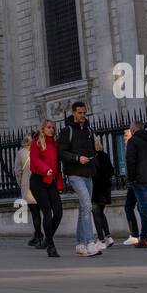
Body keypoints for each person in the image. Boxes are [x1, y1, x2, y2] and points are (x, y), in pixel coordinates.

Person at [58, 101, 104, 256]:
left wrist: (94, 162)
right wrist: (78, 158)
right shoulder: (67, 131)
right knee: (87, 205)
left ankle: (80, 244)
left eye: (84, 112)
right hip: (75, 173)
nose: (83, 115)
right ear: (73, 113)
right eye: (79, 112)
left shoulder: (89, 130)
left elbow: (94, 150)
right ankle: (90, 242)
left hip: (88, 173)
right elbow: (61, 153)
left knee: (84, 207)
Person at [29, 119, 64, 259]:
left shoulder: (55, 145)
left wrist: (60, 185)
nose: (52, 129)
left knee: (59, 212)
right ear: (43, 129)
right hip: (38, 181)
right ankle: (50, 245)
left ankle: (47, 239)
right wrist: (46, 169)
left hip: (51, 182)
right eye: (49, 127)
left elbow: (58, 167)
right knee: (47, 212)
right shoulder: (36, 143)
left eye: (53, 128)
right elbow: (35, 160)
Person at [16, 132, 44, 247]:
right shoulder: (40, 150)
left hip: (28, 187)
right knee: (44, 211)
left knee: (35, 213)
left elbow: (17, 172)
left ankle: (39, 236)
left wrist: (21, 184)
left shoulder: (21, 153)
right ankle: (38, 235)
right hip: (41, 185)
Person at [91, 135, 115, 247]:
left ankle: (101, 240)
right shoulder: (104, 155)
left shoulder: (91, 157)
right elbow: (111, 171)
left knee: (96, 214)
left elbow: (92, 174)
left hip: (95, 189)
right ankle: (108, 237)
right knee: (101, 213)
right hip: (105, 189)